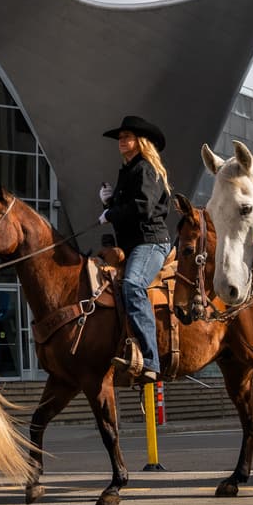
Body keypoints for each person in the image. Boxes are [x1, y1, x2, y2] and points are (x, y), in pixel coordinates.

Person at [100, 114, 174, 384]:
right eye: (120, 138)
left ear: (140, 141)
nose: (121, 141)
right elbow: (127, 209)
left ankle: (150, 359)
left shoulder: (145, 168)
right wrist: (108, 205)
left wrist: (110, 214)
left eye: (126, 137)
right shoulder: (129, 170)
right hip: (132, 244)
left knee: (132, 284)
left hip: (151, 242)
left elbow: (142, 208)